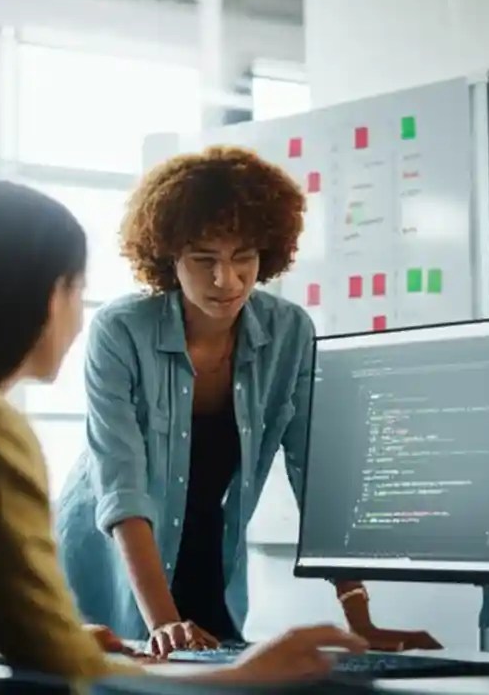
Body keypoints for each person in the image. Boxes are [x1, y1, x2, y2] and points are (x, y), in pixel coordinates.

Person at [0, 182, 366, 694]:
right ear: (53, 295)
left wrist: (61, 634)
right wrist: (244, 675)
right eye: (78, 291)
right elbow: (64, 676)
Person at [55, 145, 442, 656]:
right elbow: (122, 487)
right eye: (204, 260)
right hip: (114, 557)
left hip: (207, 554)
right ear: (169, 257)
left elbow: (315, 477)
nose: (227, 280)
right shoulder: (120, 331)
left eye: (244, 258)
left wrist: (361, 618)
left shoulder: (289, 332)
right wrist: (165, 623)